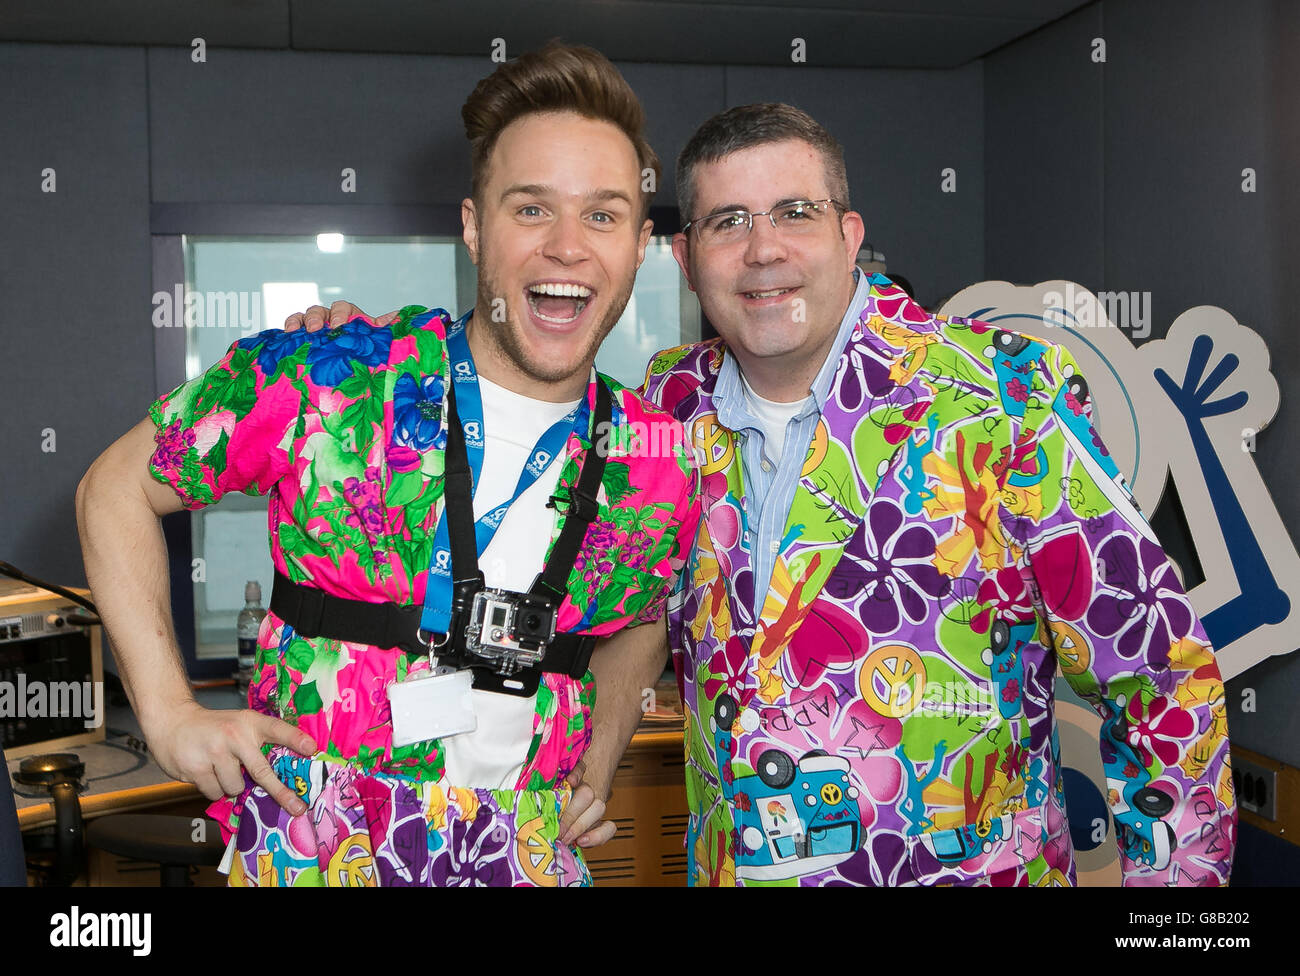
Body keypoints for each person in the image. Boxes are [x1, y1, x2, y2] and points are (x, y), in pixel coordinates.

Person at [294, 100, 1236, 886]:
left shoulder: (1003, 400)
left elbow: (1162, 682)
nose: (762, 251)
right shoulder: (661, 415)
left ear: (850, 236)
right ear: (684, 255)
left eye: (793, 212)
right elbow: (502, 397)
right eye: (727, 222)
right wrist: (360, 352)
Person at [74, 41, 699, 887]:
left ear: (639, 244)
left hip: (527, 850)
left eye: (603, 214)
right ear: (475, 229)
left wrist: (599, 760)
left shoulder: (652, 453)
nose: (567, 246)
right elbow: (113, 488)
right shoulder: (332, 375)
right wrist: (169, 711)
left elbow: (640, 616)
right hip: (322, 839)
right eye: (530, 209)